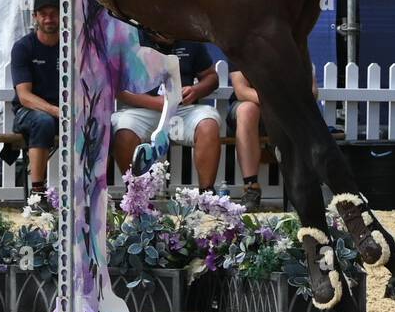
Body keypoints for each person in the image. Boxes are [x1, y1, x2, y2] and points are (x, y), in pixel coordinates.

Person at [114, 31, 222, 193]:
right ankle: (136, 196)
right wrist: (154, 103)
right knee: (122, 127)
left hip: (181, 109)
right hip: (142, 110)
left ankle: (206, 196)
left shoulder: (190, 38)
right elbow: (117, 87)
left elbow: (211, 77)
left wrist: (196, 90)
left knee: (208, 122)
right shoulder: (132, 41)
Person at [227, 64, 319, 211]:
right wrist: (276, 100)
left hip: (287, 110)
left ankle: (301, 187)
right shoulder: (243, 43)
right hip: (254, 108)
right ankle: (251, 188)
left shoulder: (295, 47)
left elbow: (312, 92)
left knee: (297, 113)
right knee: (247, 110)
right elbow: (242, 92)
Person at [10, 0, 61, 208]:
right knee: (42, 120)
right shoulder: (24, 47)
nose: (49, 19)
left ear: (63, 15)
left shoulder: (73, 45)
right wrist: (56, 110)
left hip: (63, 111)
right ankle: (38, 194)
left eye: (54, 14)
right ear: (35, 17)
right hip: (29, 112)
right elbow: (24, 96)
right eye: (43, 14)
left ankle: (90, 190)